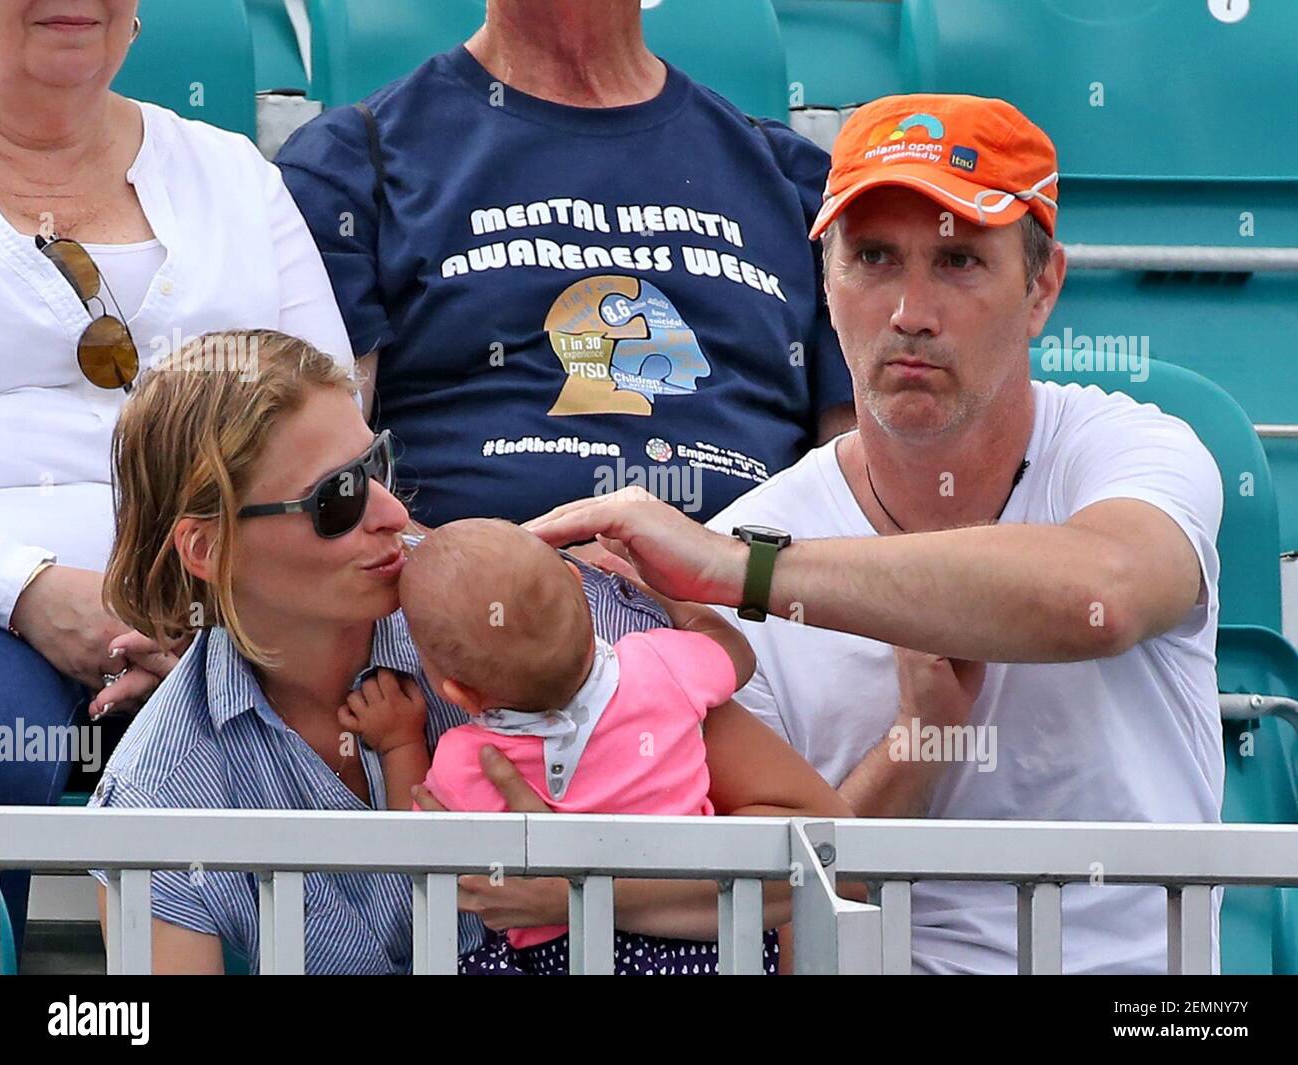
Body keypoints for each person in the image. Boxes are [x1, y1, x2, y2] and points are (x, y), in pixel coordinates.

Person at [527, 94, 1225, 975]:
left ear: (1042, 288)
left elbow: (1104, 595)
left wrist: (744, 571)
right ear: (826, 282)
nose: (910, 311)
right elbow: (777, 917)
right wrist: (914, 745)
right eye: (873, 258)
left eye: (959, 260)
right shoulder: (739, 556)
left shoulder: (1128, 447)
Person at [90, 330, 855, 975]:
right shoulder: (157, 791)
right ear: (207, 547)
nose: (392, 512)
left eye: (376, 465)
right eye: (337, 499)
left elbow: (825, 847)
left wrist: (584, 887)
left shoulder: (525, 610)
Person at [0, 0, 351, 959]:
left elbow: (327, 430)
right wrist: (26, 588)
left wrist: (224, 612)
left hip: (245, 601)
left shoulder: (230, 173)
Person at [275, 0, 854, 530]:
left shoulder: (794, 179)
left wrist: (728, 576)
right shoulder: (351, 162)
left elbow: (864, 487)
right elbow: (327, 494)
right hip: (465, 593)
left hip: (753, 591)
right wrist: (507, 581)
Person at [343, 518, 847, 974]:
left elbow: (421, 845)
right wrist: (668, 597)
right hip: (712, 945)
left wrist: (399, 743)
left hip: (565, 953)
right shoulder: (662, 665)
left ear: (456, 692)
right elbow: (736, 656)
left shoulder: (470, 758)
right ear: (579, 585)